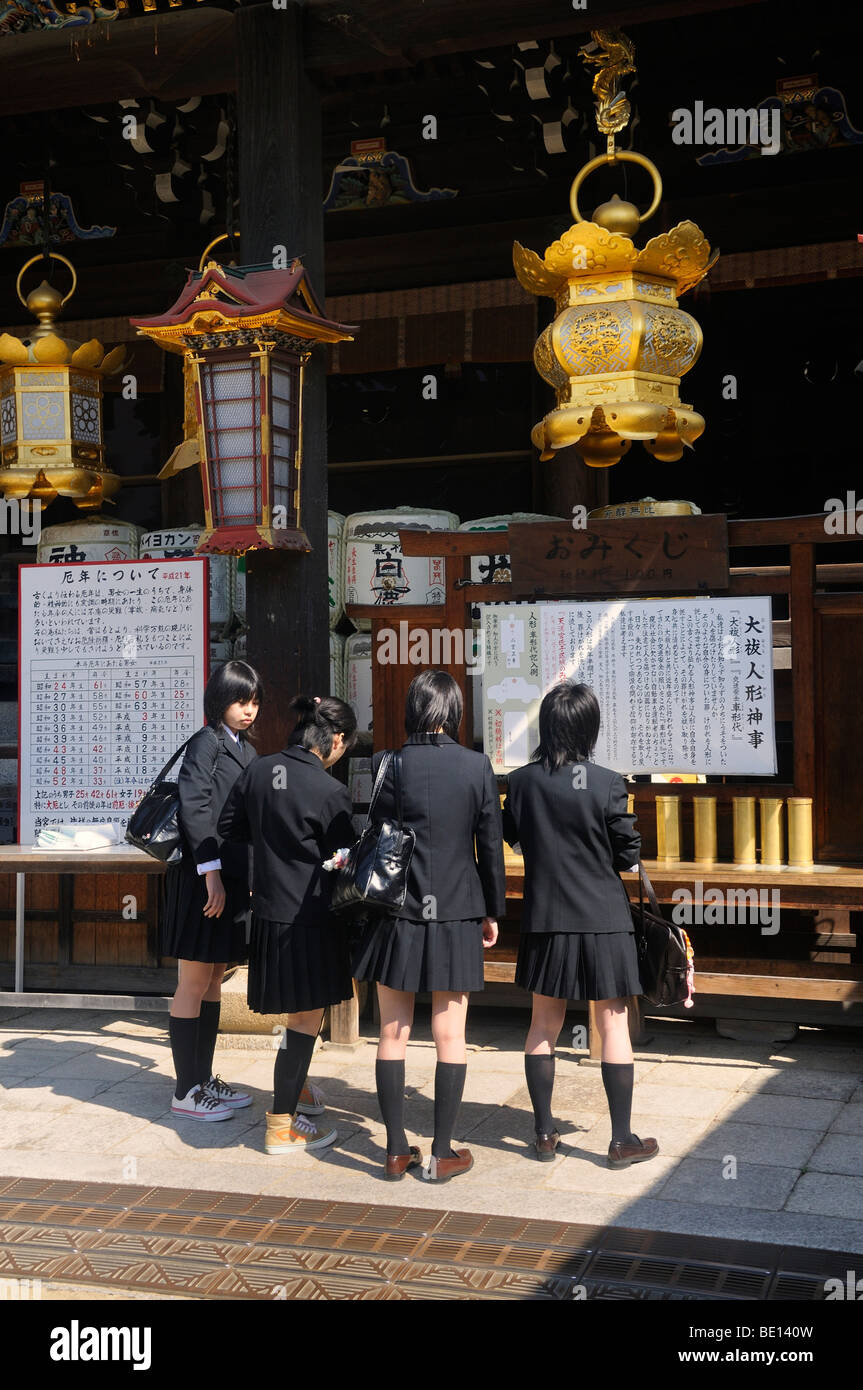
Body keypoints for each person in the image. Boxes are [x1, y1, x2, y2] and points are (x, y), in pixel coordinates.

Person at [352, 670, 506, 1184]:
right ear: (454, 711)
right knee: (450, 1031)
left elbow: (374, 835)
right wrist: (492, 911)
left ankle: (395, 1151)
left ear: (415, 709)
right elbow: (489, 846)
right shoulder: (477, 766)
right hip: (459, 909)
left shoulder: (386, 763)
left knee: (392, 1030)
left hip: (397, 911)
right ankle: (442, 1152)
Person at [502, 681, 658, 1170]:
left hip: (546, 918)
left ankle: (544, 1133)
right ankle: (620, 1140)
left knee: (542, 1023)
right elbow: (628, 853)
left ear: (547, 726)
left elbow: (512, 837)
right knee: (612, 1023)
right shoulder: (609, 782)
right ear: (588, 727)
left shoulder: (523, 782)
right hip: (603, 919)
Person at [218, 694, 358, 1155]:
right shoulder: (330, 791)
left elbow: (230, 829)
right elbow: (345, 859)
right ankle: (282, 1126)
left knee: (297, 1016)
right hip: (311, 918)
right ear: (334, 740)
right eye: (345, 746)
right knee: (304, 1019)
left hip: (269, 914)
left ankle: (295, 1090)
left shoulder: (257, 770)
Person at [163, 660, 263, 1121]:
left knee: (214, 978)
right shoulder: (206, 743)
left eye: (255, 701)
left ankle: (202, 1079)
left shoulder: (245, 748)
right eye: (241, 701)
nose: (249, 710)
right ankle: (185, 1091)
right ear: (220, 701)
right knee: (193, 980)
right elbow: (194, 808)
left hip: (230, 879)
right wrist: (212, 874)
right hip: (204, 879)